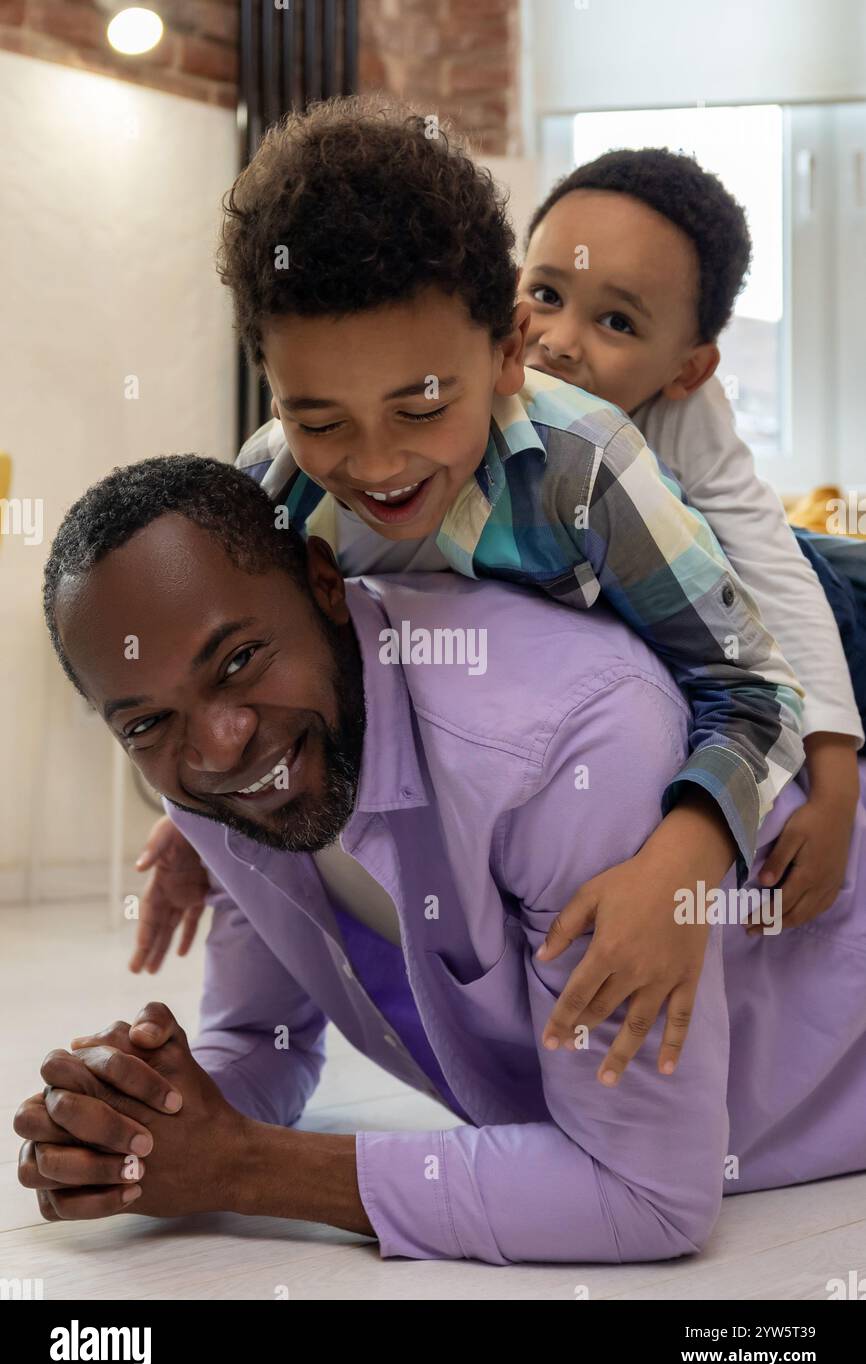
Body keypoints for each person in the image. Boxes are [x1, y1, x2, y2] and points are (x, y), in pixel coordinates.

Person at [18, 456, 866, 1265]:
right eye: (147, 724)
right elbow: (258, 1038)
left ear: (324, 583)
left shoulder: (565, 745)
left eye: (239, 661)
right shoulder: (215, 793)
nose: (219, 745)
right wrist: (141, 1122)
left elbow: (645, 1195)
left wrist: (243, 1167)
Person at [127, 97, 806, 1087]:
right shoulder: (271, 489)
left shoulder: (587, 468)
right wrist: (198, 824)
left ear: (507, 351)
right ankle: (249, 1067)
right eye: (319, 419)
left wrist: (682, 865)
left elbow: (753, 688)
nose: (375, 462)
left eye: (422, 406)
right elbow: (242, 684)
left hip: (615, 819)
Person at [519, 147, 865, 943]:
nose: (559, 341)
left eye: (616, 322)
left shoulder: (685, 412)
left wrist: (835, 782)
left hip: (790, 582)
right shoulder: (488, 361)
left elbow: (769, 563)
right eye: (545, 293)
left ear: (688, 369)